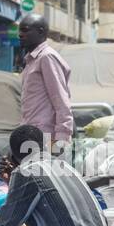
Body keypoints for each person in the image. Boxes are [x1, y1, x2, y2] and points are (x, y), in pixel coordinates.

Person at [18, 14, 73, 152]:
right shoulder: (31, 61)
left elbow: (61, 101)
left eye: (25, 30)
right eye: (20, 30)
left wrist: (61, 140)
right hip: (30, 136)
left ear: (41, 32)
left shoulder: (47, 57)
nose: (20, 34)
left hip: (46, 139)